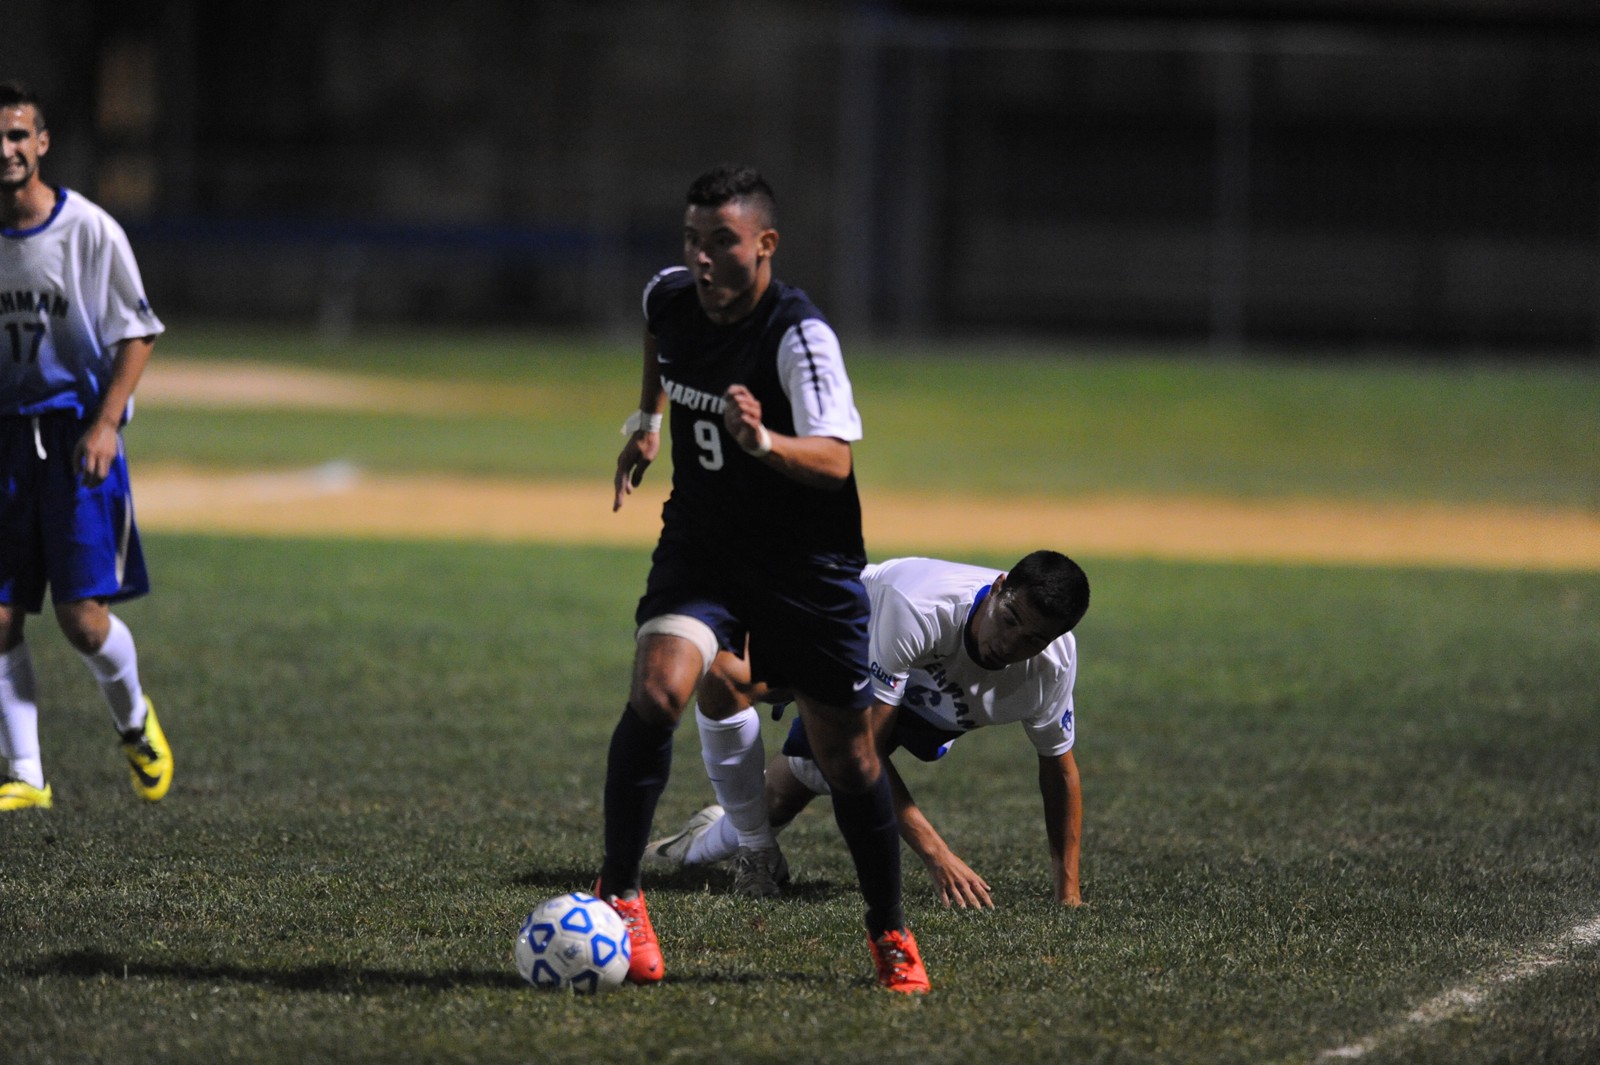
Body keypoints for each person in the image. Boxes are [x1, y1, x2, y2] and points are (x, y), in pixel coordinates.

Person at [602, 164, 928, 993]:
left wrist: (765, 445)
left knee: (847, 759)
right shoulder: (671, 296)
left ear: (765, 245)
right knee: (656, 691)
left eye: (722, 242)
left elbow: (835, 458)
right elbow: (657, 331)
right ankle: (622, 897)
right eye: (692, 241)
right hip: (704, 541)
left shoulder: (799, 334)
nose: (702, 259)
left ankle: (890, 931)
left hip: (804, 563)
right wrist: (647, 422)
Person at [649, 552, 1090, 910]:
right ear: (997, 587)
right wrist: (937, 855)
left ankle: (719, 835)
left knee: (803, 781)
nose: (1009, 644)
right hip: (845, 636)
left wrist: (1067, 891)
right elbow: (864, 752)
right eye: (1009, 618)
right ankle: (750, 845)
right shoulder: (918, 606)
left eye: (1033, 639)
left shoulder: (1051, 668)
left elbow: (1059, 771)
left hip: (925, 696)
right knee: (726, 676)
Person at [0, 80, 171, 811]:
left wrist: (105, 424)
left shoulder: (89, 229)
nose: (5, 150)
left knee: (82, 620)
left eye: (17, 136)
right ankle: (26, 775)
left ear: (41, 144)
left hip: (74, 439)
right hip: (5, 439)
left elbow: (137, 329)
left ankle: (135, 724)